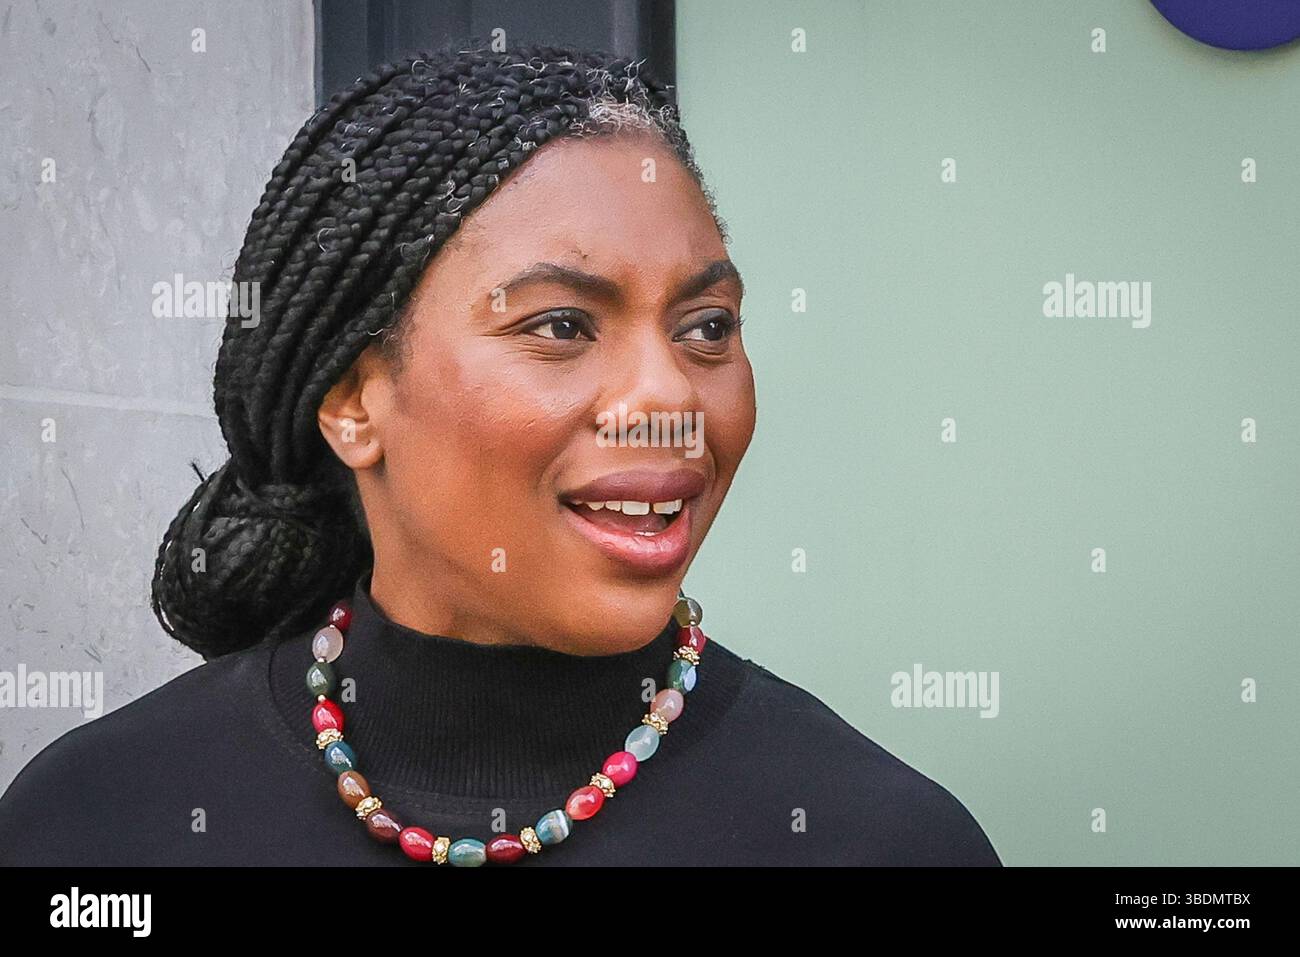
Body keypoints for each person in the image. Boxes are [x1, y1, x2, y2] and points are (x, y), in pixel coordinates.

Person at [0, 43, 1000, 866]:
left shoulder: (878, 841)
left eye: (705, 326)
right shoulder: (98, 822)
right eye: (562, 324)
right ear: (352, 399)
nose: (669, 400)